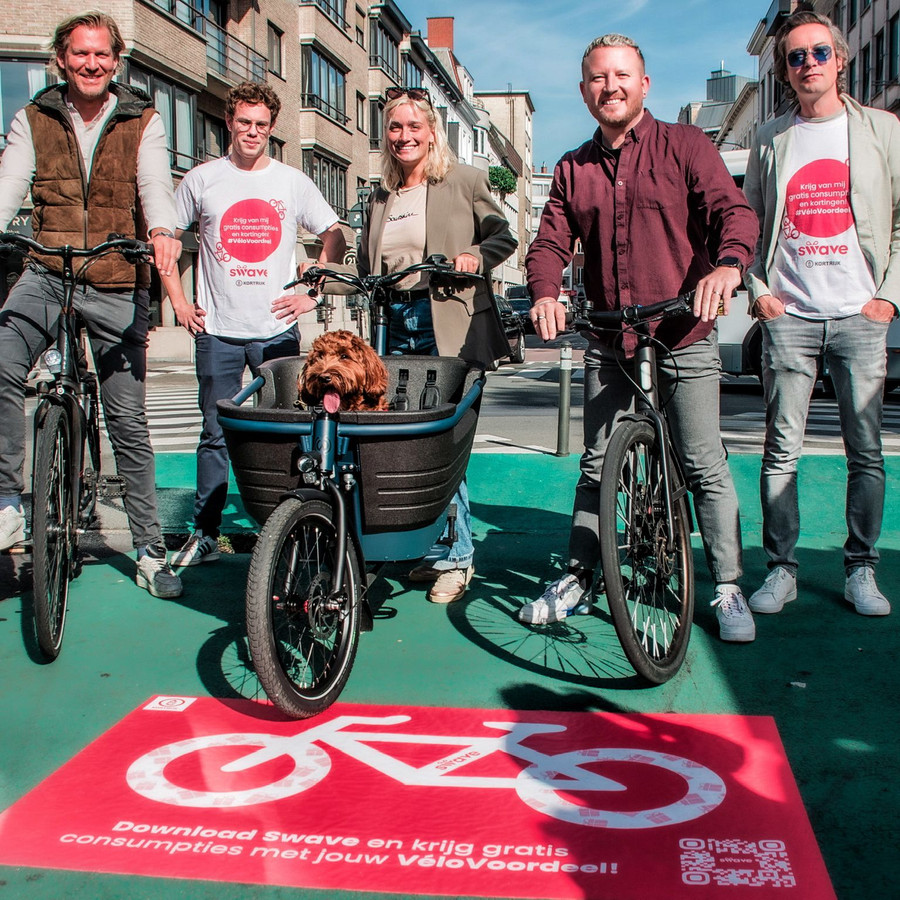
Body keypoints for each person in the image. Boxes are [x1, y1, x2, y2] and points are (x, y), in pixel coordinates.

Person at [519, 34, 759, 642]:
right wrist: (546, 292)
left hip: (682, 330)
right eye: (598, 78)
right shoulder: (574, 168)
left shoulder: (685, 145)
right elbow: (549, 243)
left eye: (622, 75)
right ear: (584, 91)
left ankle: (727, 586)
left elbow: (732, 211)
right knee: (598, 466)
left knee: (704, 462)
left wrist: (729, 266)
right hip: (611, 339)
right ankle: (579, 575)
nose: (611, 86)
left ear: (645, 84)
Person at [0, 11, 183, 598]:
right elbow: (8, 187)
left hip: (115, 275)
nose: (91, 64)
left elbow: (154, 188)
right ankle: (7, 499)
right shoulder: (33, 118)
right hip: (49, 271)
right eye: (80, 54)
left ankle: (151, 550)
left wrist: (160, 232)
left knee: (127, 419)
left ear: (116, 60)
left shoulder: (141, 118)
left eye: (102, 55)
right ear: (61, 59)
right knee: (2, 359)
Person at [744, 9, 897, 618]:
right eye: (795, 57)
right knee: (781, 449)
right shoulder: (769, 138)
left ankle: (861, 568)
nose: (808, 64)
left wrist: (887, 298)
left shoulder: (882, 129)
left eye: (818, 53)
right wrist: (760, 293)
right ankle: (782, 569)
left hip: (862, 315)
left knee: (867, 451)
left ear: (841, 58)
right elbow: (748, 223)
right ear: (784, 70)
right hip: (792, 315)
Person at [161, 82, 345, 568]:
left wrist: (314, 290)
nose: (253, 132)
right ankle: (205, 532)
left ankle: (285, 531)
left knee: (286, 433)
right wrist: (179, 300)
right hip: (217, 330)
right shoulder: (202, 180)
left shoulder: (291, 182)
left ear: (272, 128)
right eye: (245, 122)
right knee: (214, 433)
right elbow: (165, 237)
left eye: (262, 125)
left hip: (277, 331)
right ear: (229, 121)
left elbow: (334, 233)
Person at [359, 85, 516, 603]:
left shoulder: (465, 180)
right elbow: (366, 268)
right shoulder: (380, 196)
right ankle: (425, 549)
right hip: (393, 325)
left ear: (432, 133)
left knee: (445, 444)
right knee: (401, 445)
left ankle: (457, 557)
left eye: (414, 127)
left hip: (446, 321)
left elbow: (502, 235)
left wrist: (474, 256)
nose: (404, 136)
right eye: (395, 128)